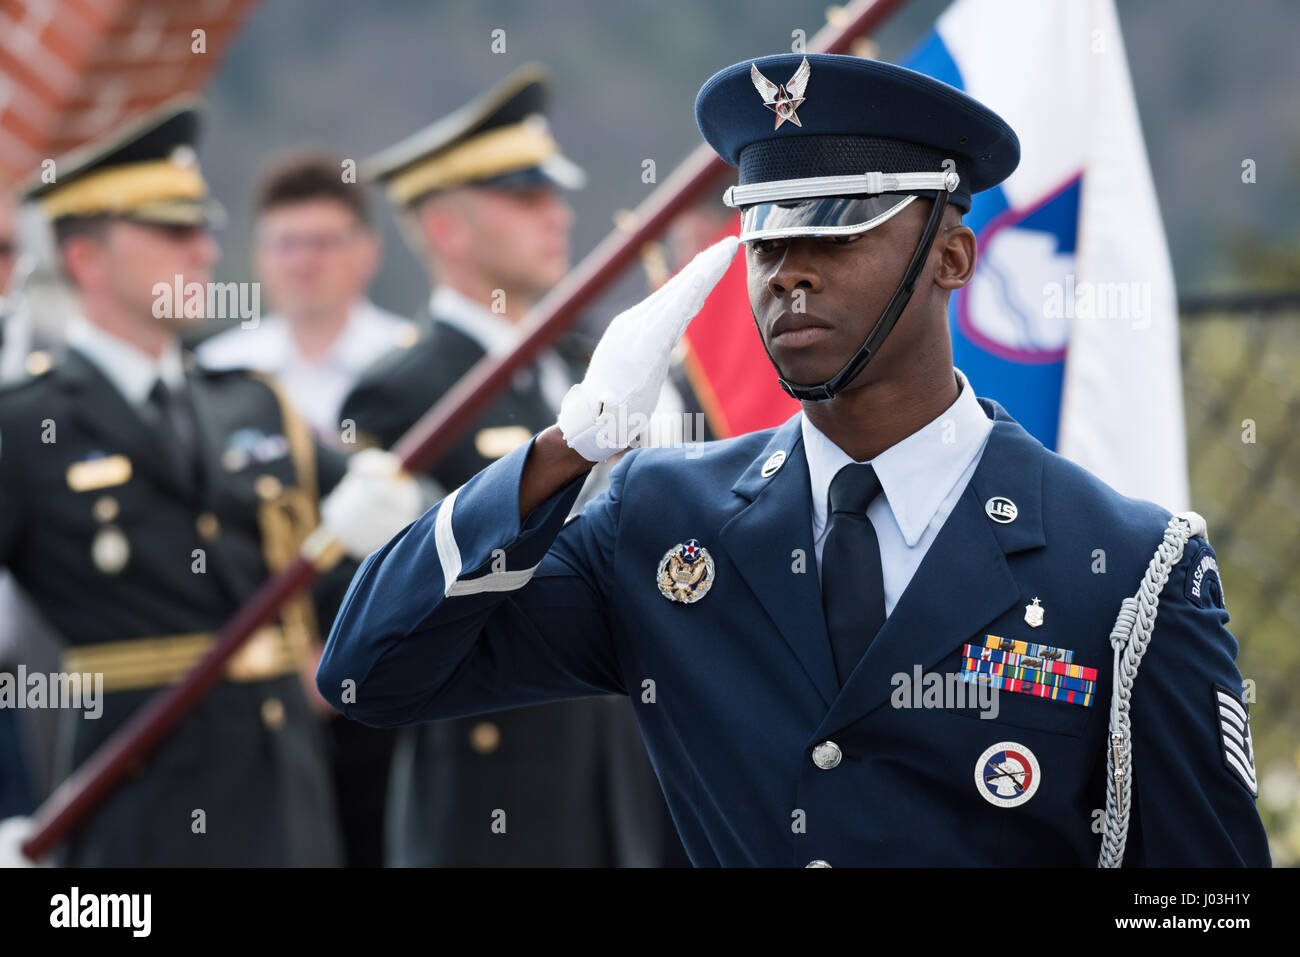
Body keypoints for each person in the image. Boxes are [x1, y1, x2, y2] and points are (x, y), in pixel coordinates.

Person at [318, 53, 1270, 867]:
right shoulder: (662, 520)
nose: (789, 269)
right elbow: (371, 673)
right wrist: (569, 448)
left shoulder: (1127, 561)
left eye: (837, 227)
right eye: (767, 233)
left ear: (951, 257)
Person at [0, 99, 422, 866]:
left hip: (286, 796)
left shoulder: (251, 402)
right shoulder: (24, 425)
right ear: (87, 259)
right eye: (171, 230)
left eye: (203, 227)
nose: (202, 250)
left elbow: (403, 536)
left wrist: (392, 510)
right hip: (137, 802)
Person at [341, 64, 683, 867]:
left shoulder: (583, 361)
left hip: (612, 764)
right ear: (450, 229)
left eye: (554, 194)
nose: (557, 215)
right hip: (492, 784)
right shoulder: (409, 389)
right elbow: (379, 617)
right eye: (524, 198)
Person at [196, 153, 417, 447]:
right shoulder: (217, 370)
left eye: (322, 243)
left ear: (369, 251)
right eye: (286, 244)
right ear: (258, 256)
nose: (303, 262)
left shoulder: (412, 366)